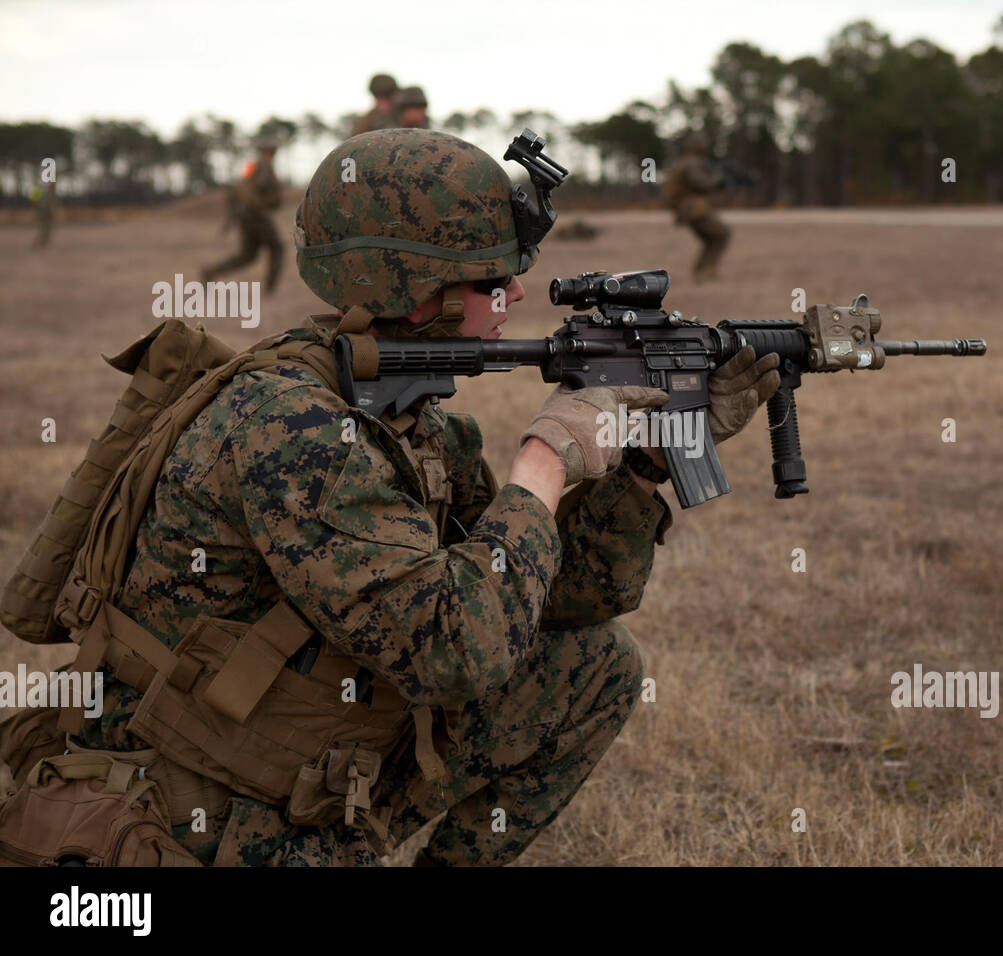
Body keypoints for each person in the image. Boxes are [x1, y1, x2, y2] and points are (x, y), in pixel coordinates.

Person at [0, 128, 778, 866]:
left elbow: (556, 601)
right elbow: (458, 655)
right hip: (193, 809)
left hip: (280, 750)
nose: (513, 293)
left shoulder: (398, 414)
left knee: (596, 664)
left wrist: (643, 467)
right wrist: (543, 464)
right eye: (489, 278)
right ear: (413, 287)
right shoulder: (295, 430)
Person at [201, 135, 283, 292]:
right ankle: (270, 287)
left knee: (247, 256)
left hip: (246, 215)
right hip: (257, 214)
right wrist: (271, 196)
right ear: (270, 151)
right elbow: (262, 185)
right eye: (274, 150)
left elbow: (239, 190)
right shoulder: (265, 164)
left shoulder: (251, 166)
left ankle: (210, 272)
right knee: (277, 248)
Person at [663, 132, 731, 281]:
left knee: (713, 237)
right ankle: (705, 271)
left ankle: (703, 270)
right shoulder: (691, 164)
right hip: (694, 209)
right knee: (721, 234)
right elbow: (702, 184)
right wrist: (718, 179)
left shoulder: (684, 163)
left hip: (688, 209)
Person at [30, 178, 56, 249]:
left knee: (45, 232)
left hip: (45, 217)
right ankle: (36, 244)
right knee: (43, 232)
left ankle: (41, 244)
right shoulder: (44, 197)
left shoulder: (45, 196)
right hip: (44, 218)